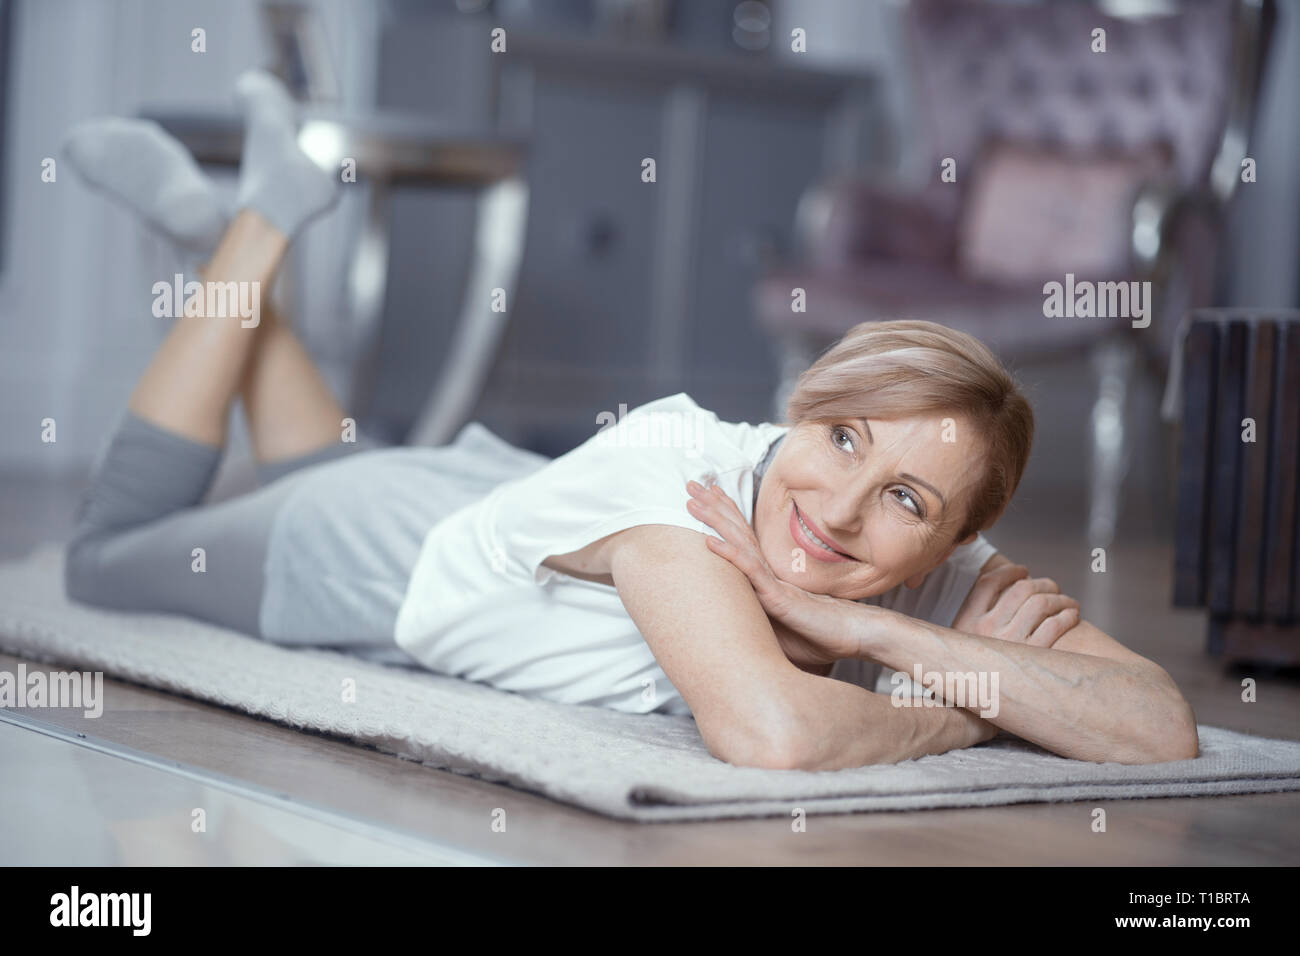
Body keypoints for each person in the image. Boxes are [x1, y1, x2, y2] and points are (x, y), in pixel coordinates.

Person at [61, 71, 1199, 771]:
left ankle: (217, 241)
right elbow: (772, 733)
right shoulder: (683, 505)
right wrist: (959, 708)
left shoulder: (915, 578)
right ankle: (259, 221)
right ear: (798, 413)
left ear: (952, 540)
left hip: (486, 502)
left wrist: (894, 641)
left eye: (905, 496)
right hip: (370, 551)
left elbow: (1159, 723)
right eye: (842, 437)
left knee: (294, 463)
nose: (841, 510)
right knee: (104, 560)